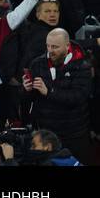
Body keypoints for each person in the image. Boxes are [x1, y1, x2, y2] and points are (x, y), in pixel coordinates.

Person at [24, 27, 94, 165]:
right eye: (48, 46)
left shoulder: (82, 66)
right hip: (47, 132)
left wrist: (49, 92)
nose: (50, 50)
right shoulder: (37, 63)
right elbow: (30, 99)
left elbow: (77, 97)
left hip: (74, 133)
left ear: (67, 46)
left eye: (55, 47)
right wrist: (27, 90)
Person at [0, 128, 83, 166]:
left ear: (47, 147)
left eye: (34, 145)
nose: (31, 149)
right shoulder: (65, 158)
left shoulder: (51, 163)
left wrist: (9, 160)